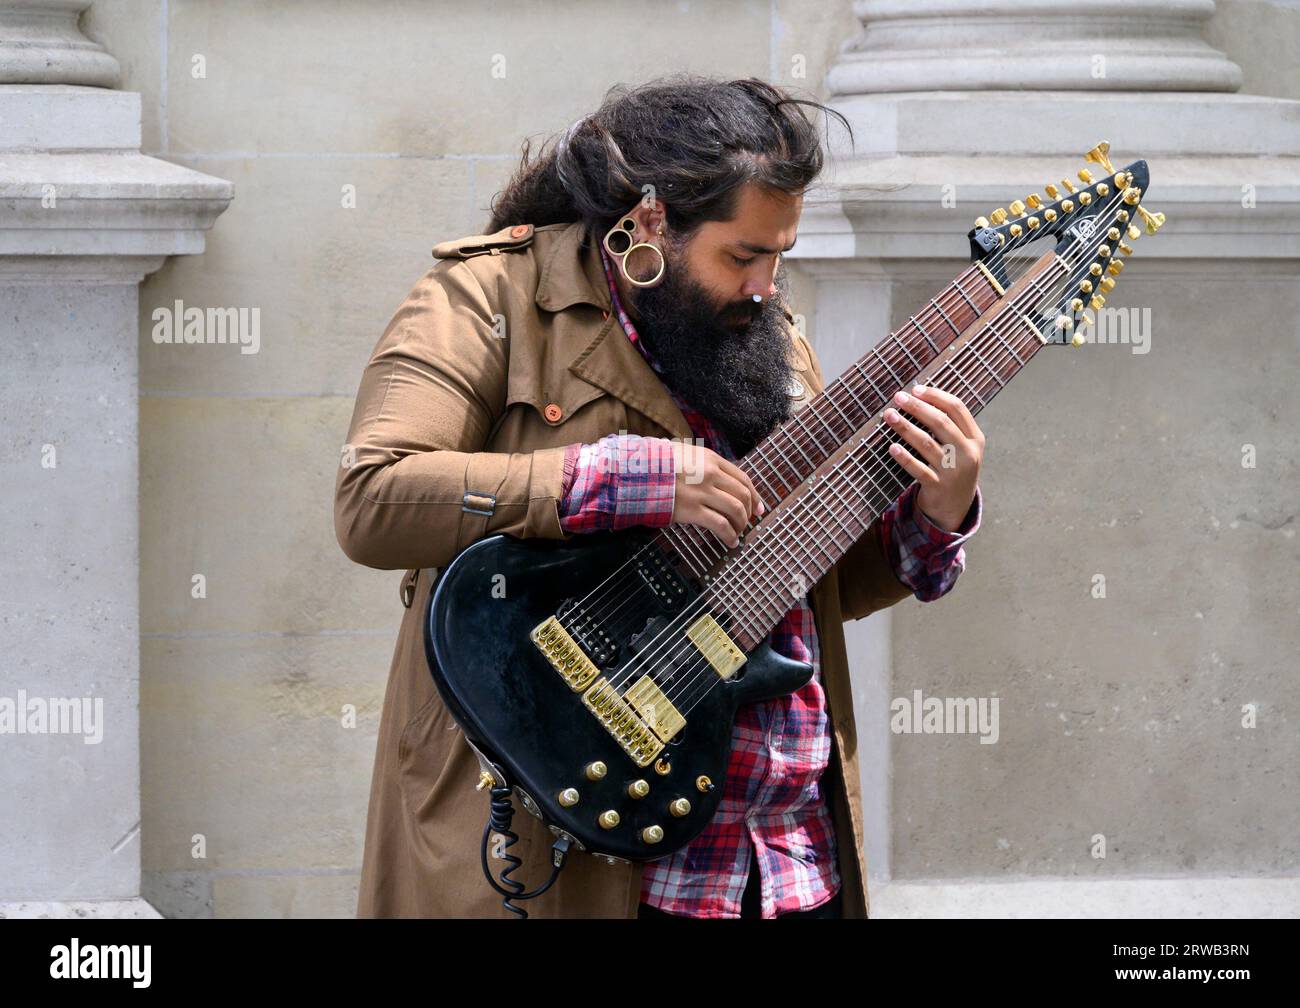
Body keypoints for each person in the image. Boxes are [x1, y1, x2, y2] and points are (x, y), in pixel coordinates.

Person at [334, 75, 983, 920]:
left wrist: (933, 518)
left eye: (778, 254)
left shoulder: (771, 338)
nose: (765, 284)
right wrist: (613, 481)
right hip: (593, 861)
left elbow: (803, 589)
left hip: (788, 861)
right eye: (742, 255)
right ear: (648, 224)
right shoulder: (485, 299)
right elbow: (373, 496)